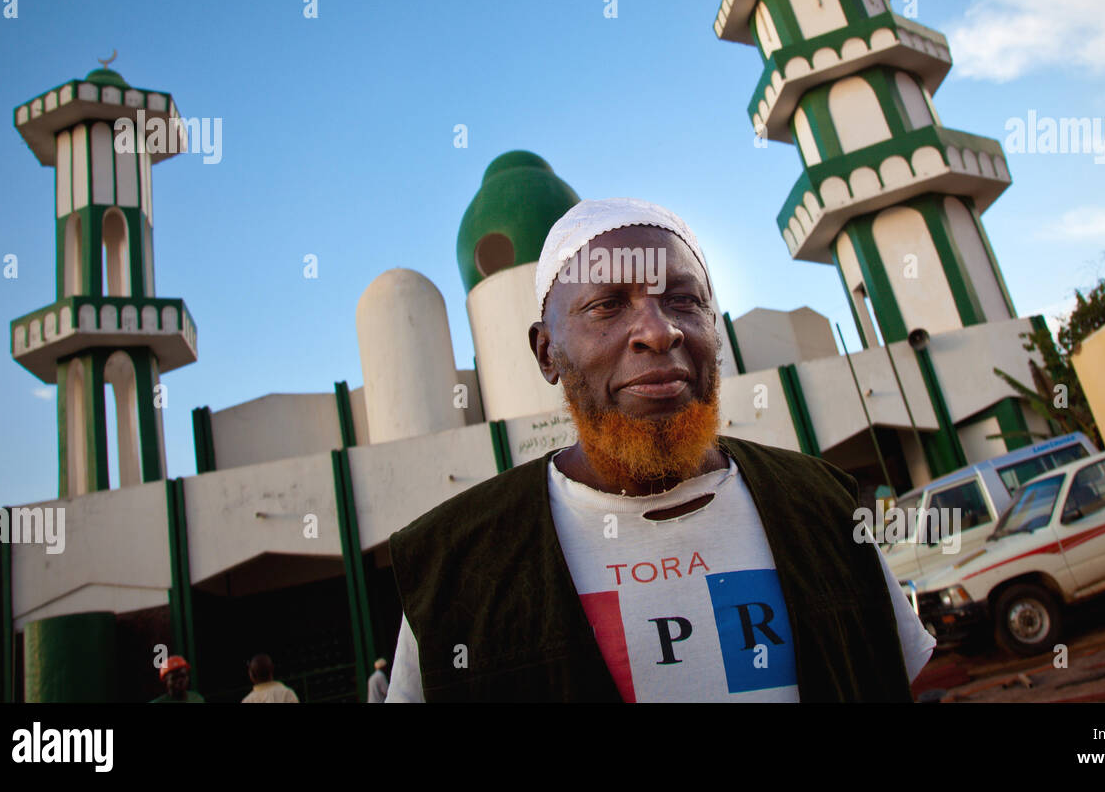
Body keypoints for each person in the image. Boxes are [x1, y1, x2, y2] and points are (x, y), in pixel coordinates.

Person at [386, 197, 935, 702]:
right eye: (606, 305)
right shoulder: (453, 568)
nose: (659, 330)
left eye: (683, 299)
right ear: (546, 352)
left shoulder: (823, 506)